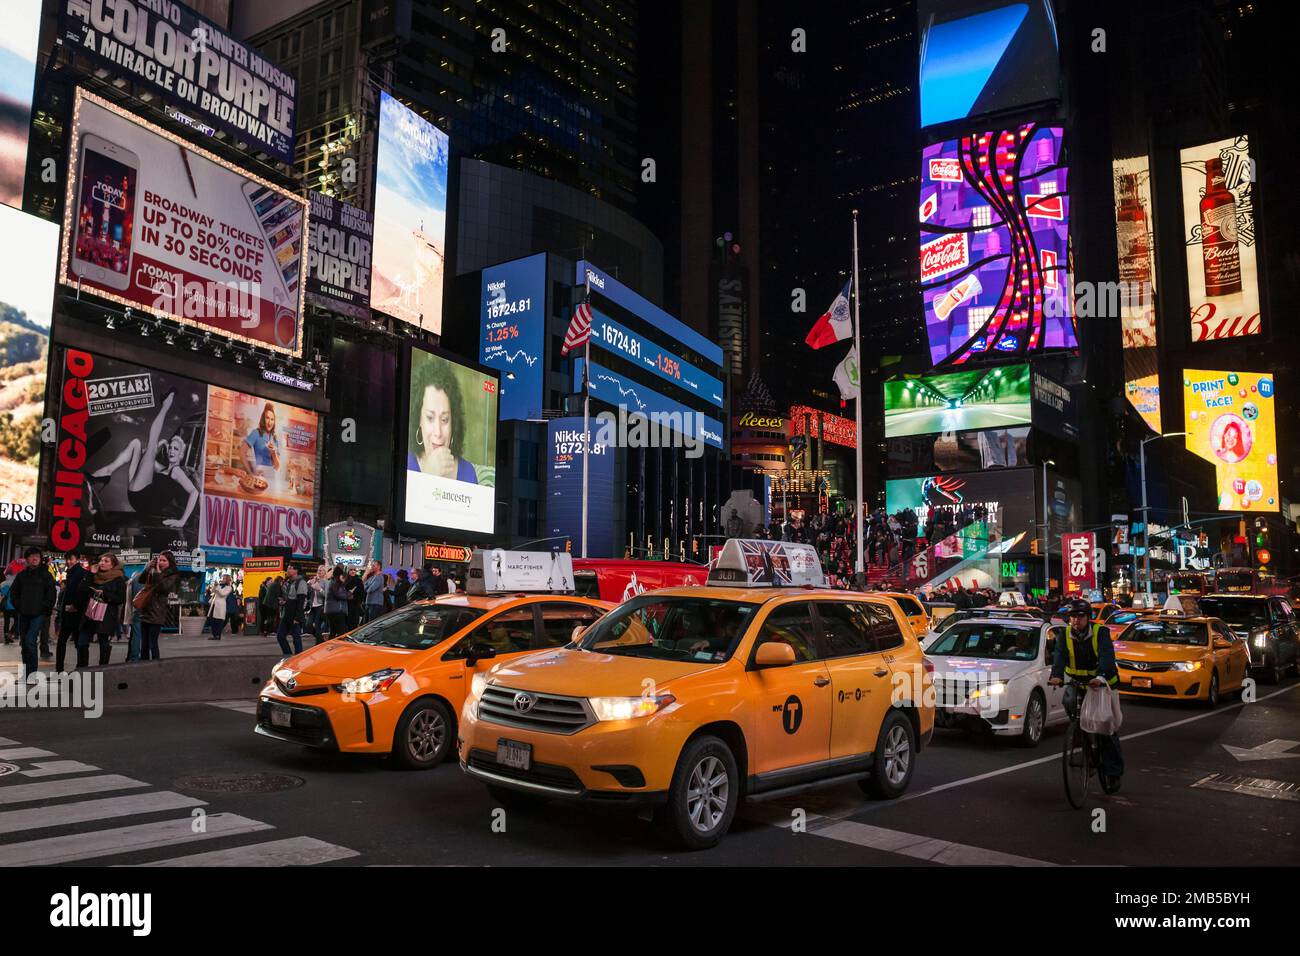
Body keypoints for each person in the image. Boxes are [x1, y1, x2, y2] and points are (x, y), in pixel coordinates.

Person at [86, 390, 200, 529]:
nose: (171, 451)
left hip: (144, 500)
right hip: (138, 496)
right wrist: (160, 446)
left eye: (176, 449)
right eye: (170, 448)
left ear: (181, 454)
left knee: (151, 444)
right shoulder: (163, 469)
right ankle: (107, 472)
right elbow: (145, 456)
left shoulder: (176, 471)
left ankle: (166, 405)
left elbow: (194, 492)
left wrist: (182, 521)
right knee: (136, 444)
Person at [1049, 599, 1124, 792]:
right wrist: (1056, 676)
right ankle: (1081, 740)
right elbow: (1059, 657)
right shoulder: (1064, 635)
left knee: (1106, 728)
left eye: (1080, 616)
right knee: (1068, 700)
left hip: (1102, 685)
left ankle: (1113, 772)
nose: (1075, 620)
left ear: (1088, 618)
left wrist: (1100, 677)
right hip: (1078, 683)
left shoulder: (1101, 633)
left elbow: (1107, 658)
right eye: (1072, 617)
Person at [406, 358, 481, 483]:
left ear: (453, 423)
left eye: (445, 419)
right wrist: (429, 475)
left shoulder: (468, 472)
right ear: (418, 419)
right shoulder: (405, 463)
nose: (438, 432)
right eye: (430, 418)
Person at [10, 547, 56, 680]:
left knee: (30, 641)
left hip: (38, 614)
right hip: (23, 614)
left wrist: (44, 609)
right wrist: (19, 606)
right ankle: (27, 673)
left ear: (40, 559)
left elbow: (51, 595)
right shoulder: (22, 575)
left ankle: (32, 674)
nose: (34, 558)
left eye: (37, 556)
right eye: (31, 556)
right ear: (27, 559)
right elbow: (14, 593)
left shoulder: (46, 575)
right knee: (24, 643)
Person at [75, 552, 127, 668]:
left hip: (106, 616)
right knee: (82, 642)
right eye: (101, 561)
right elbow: (81, 590)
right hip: (89, 614)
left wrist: (105, 594)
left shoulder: (118, 579)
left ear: (113, 565)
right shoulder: (93, 576)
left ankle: (103, 670)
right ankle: (82, 668)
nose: (102, 563)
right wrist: (90, 574)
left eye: (106, 561)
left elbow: (120, 599)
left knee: (103, 643)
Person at [138, 551, 180, 661]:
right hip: (146, 608)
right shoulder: (152, 570)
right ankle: (143, 666)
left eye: (164, 560)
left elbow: (164, 588)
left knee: (153, 643)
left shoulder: (173, 574)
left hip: (157, 612)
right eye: (159, 560)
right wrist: (147, 569)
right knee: (144, 645)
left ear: (170, 562)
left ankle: (156, 666)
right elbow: (141, 580)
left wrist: (157, 572)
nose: (161, 562)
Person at [56, 551, 92, 672]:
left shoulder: (82, 573)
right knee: (65, 642)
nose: (68, 561)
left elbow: (83, 593)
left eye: (71, 559)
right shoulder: (71, 573)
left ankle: (78, 669)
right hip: (68, 614)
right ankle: (63, 669)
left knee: (78, 643)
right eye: (67, 559)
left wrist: (75, 605)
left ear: (77, 559)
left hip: (77, 614)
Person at [241, 402, 282, 476]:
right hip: (259, 474)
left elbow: (277, 467)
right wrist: (251, 472)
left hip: (272, 476)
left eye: (272, 419)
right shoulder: (256, 433)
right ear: (263, 418)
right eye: (267, 418)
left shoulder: (275, 438)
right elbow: (242, 452)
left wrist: (273, 453)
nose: (270, 422)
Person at [276, 565, 309, 656]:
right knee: (280, 636)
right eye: (288, 568)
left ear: (296, 570)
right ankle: (289, 656)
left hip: (295, 615)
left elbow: (301, 601)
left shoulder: (301, 582)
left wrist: (297, 617)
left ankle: (299, 659)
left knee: (296, 639)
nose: (288, 570)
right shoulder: (288, 582)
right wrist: (284, 602)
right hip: (287, 614)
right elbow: (289, 599)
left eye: (290, 568)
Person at [324, 567, 351, 640]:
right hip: (337, 611)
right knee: (342, 632)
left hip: (331, 610)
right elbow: (339, 595)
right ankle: (340, 648)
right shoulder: (335, 583)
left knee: (333, 631)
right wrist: (349, 594)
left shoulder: (332, 582)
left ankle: (330, 648)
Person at [207, 574, 233, 640]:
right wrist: (214, 586)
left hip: (220, 605)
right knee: (212, 620)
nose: (222, 579)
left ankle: (218, 635)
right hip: (214, 604)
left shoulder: (229, 588)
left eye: (224, 578)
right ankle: (214, 635)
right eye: (222, 578)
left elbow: (222, 594)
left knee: (219, 620)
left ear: (227, 580)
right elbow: (212, 592)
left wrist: (218, 586)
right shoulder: (220, 586)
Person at [307, 565, 329, 640]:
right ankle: (321, 639)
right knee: (308, 625)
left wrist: (320, 589)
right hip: (312, 606)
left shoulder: (326, 582)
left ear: (325, 573)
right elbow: (307, 593)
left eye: (321, 570)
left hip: (320, 606)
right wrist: (309, 584)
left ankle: (319, 641)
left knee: (317, 626)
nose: (319, 571)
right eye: (318, 570)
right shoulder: (313, 580)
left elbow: (327, 595)